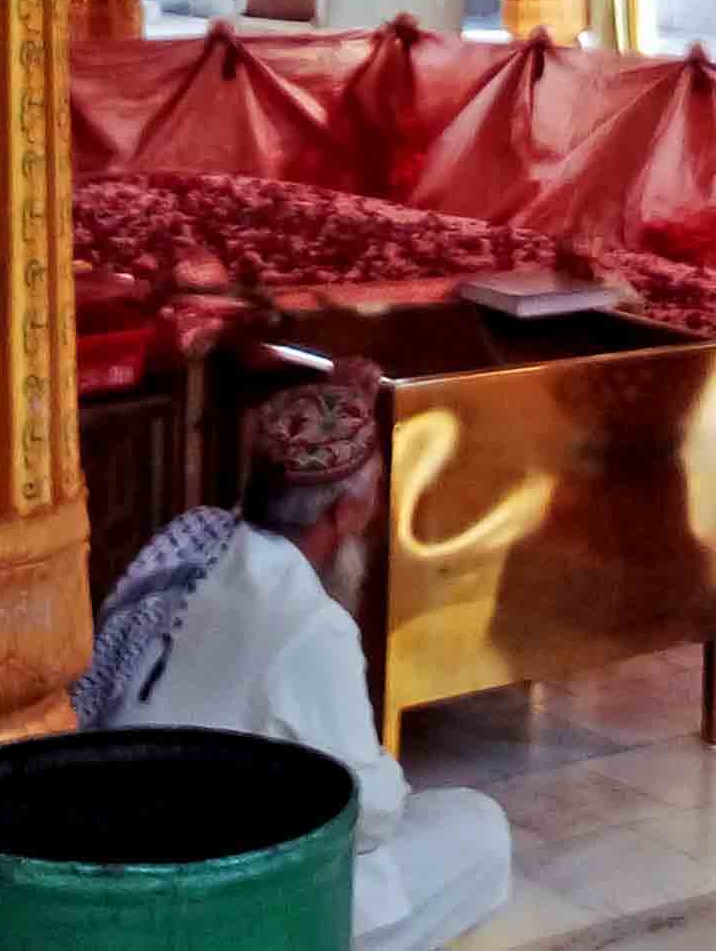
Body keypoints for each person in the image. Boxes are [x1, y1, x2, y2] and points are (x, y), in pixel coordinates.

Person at [81, 366, 511, 951]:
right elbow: (368, 815)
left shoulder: (191, 533)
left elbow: (271, 496)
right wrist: (388, 779)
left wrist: (340, 408)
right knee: (478, 829)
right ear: (345, 514)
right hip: (210, 902)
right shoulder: (310, 627)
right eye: (374, 493)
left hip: (111, 851)